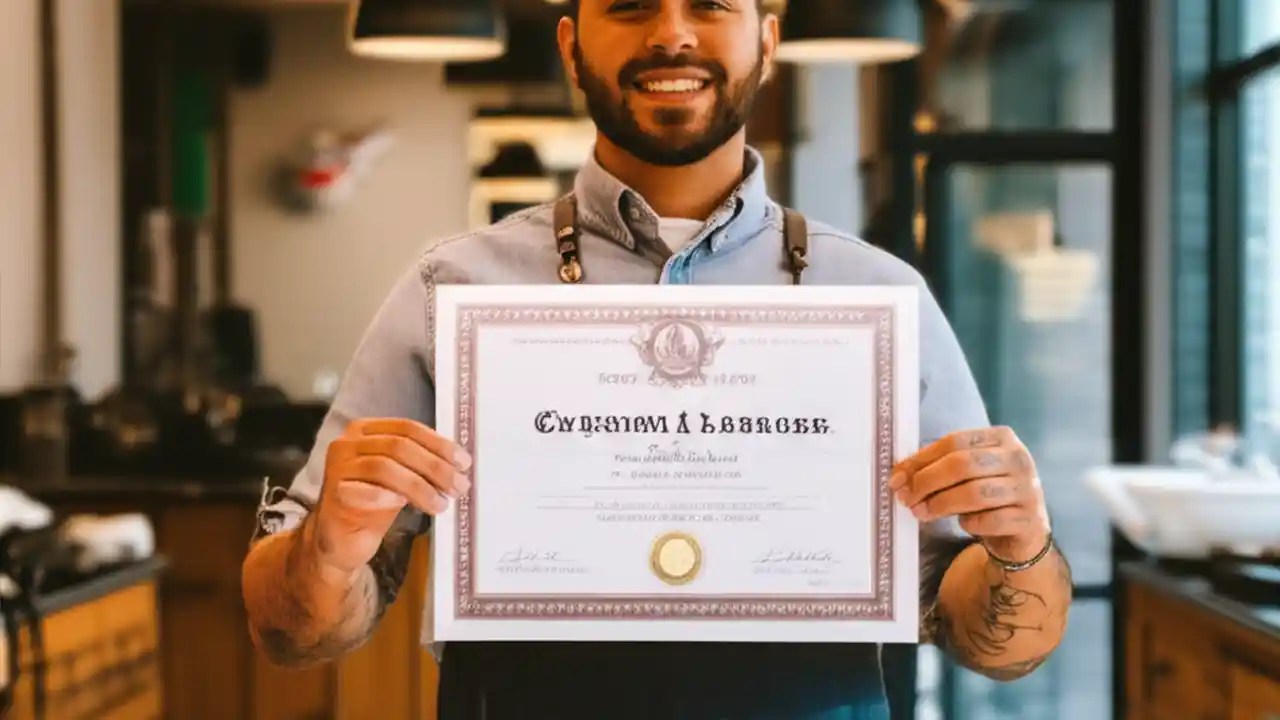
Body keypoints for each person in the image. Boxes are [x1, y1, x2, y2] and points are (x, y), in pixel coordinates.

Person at [241, 1, 1073, 717]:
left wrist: (1021, 547)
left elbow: (994, 643)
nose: (672, 34)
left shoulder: (878, 300)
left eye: (711, 4)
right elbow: (291, 633)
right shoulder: (450, 290)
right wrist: (331, 546)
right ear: (571, 46)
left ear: (767, 42)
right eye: (631, 4)